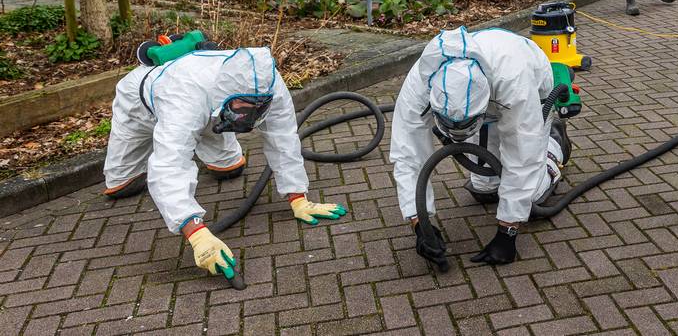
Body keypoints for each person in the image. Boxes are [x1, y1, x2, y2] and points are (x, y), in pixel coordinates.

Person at [103, 46, 347, 283]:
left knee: (230, 169)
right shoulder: (184, 98)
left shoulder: (267, 85)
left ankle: (208, 134)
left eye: (256, 109)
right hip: (141, 102)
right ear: (226, 95)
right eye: (244, 109)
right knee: (122, 185)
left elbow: (283, 137)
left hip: (211, 112)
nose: (251, 116)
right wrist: (196, 233)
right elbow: (169, 166)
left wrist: (298, 197)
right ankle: (130, 169)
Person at [390, 27, 568, 271]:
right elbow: (407, 153)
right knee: (485, 189)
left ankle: (555, 145)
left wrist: (508, 231)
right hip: (487, 99)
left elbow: (522, 154)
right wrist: (419, 223)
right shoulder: (420, 83)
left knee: (532, 195)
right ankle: (496, 144)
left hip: (530, 77)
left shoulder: (513, 81)